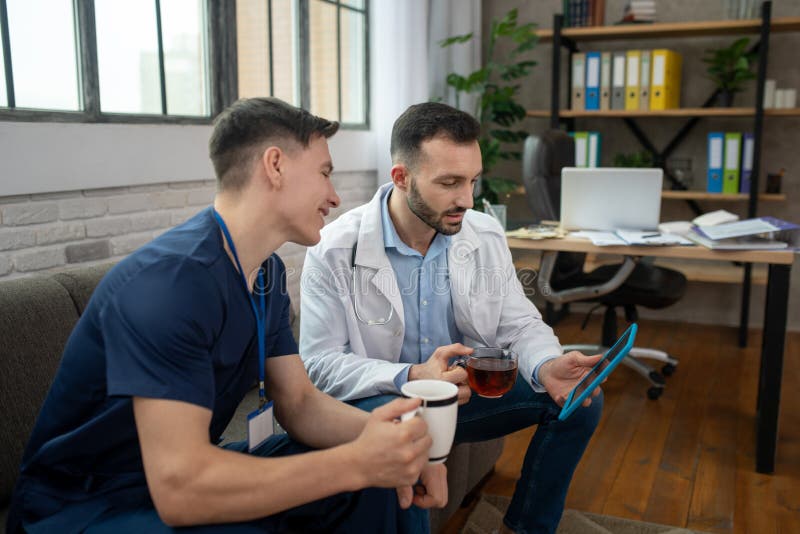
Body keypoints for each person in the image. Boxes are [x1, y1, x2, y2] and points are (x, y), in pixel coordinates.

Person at [6, 97, 448, 534]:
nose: (334, 196)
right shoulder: (170, 284)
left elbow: (299, 403)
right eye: (324, 173)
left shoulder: (265, 273)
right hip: (87, 503)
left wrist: (402, 446)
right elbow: (181, 489)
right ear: (274, 166)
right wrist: (355, 463)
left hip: (183, 470)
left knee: (381, 483)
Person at [299, 102, 604, 534]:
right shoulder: (333, 248)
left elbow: (518, 323)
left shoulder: (482, 232)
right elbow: (319, 365)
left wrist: (547, 364)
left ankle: (524, 528)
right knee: (406, 431)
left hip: (464, 398)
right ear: (401, 178)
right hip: (393, 403)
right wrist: (412, 374)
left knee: (580, 399)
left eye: (473, 180)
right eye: (450, 182)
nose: (467, 198)